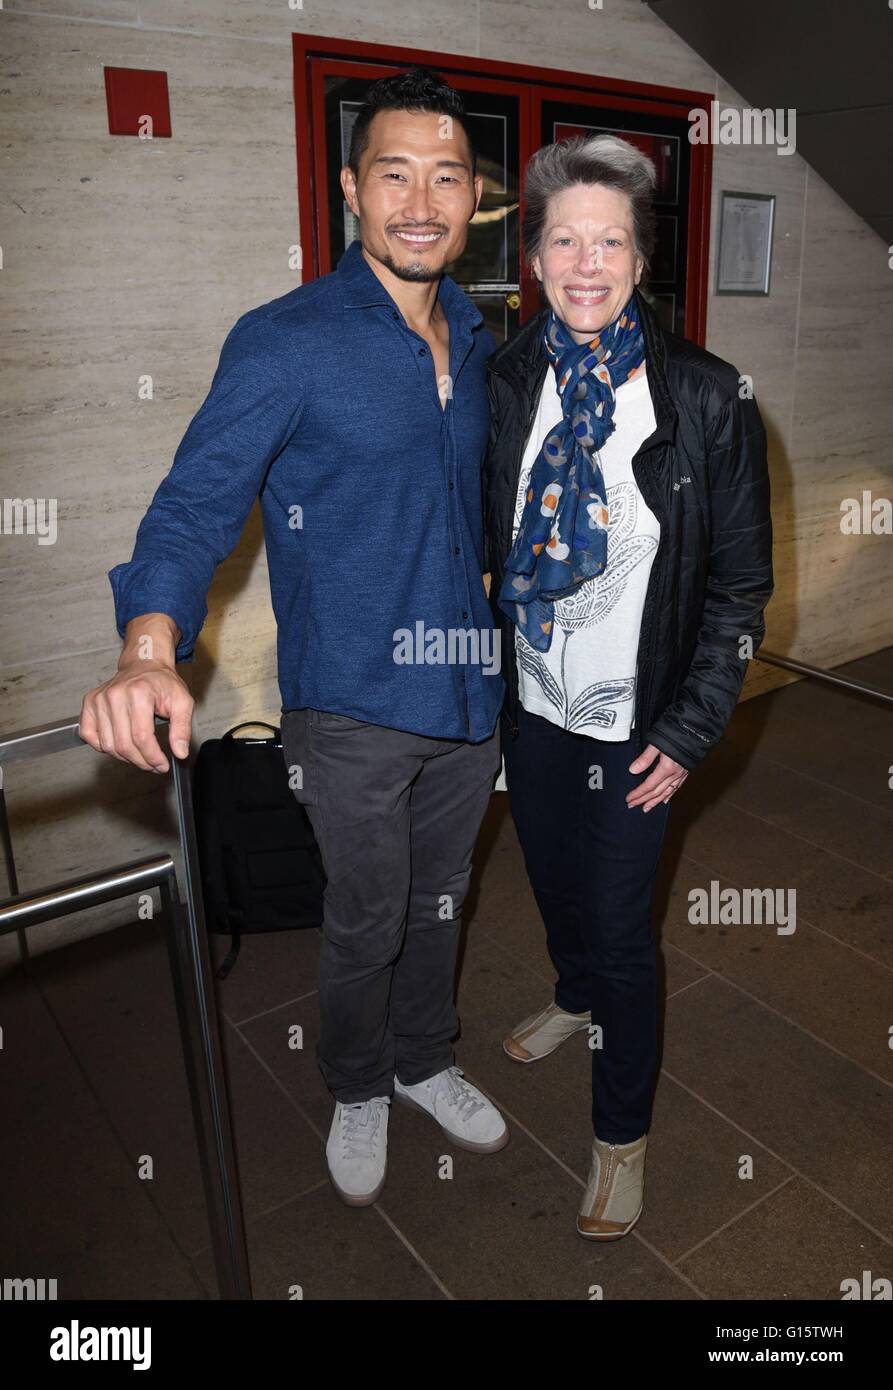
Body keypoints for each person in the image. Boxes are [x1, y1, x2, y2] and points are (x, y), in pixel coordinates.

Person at [80, 67, 509, 1209]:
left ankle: (424, 1056)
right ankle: (357, 1080)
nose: (420, 201)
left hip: (468, 697)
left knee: (442, 900)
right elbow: (193, 502)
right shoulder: (287, 340)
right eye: (393, 175)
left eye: (446, 177)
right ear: (349, 191)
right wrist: (146, 644)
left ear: (474, 197)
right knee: (365, 915)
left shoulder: (477, 339)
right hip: (352, 706)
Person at [482, 133, 773, 1239]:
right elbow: (479, 539)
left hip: (640, 729)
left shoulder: (704, 398)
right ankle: (569, 996)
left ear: (637, 260)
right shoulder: (510, 379)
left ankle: (618, 1136)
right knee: (553, 886)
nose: (586, 262)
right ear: (536, 259)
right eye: (564, 240)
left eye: (608, 241)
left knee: (618, 928)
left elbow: (742, 584)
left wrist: (695, 728)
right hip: (534, 709)